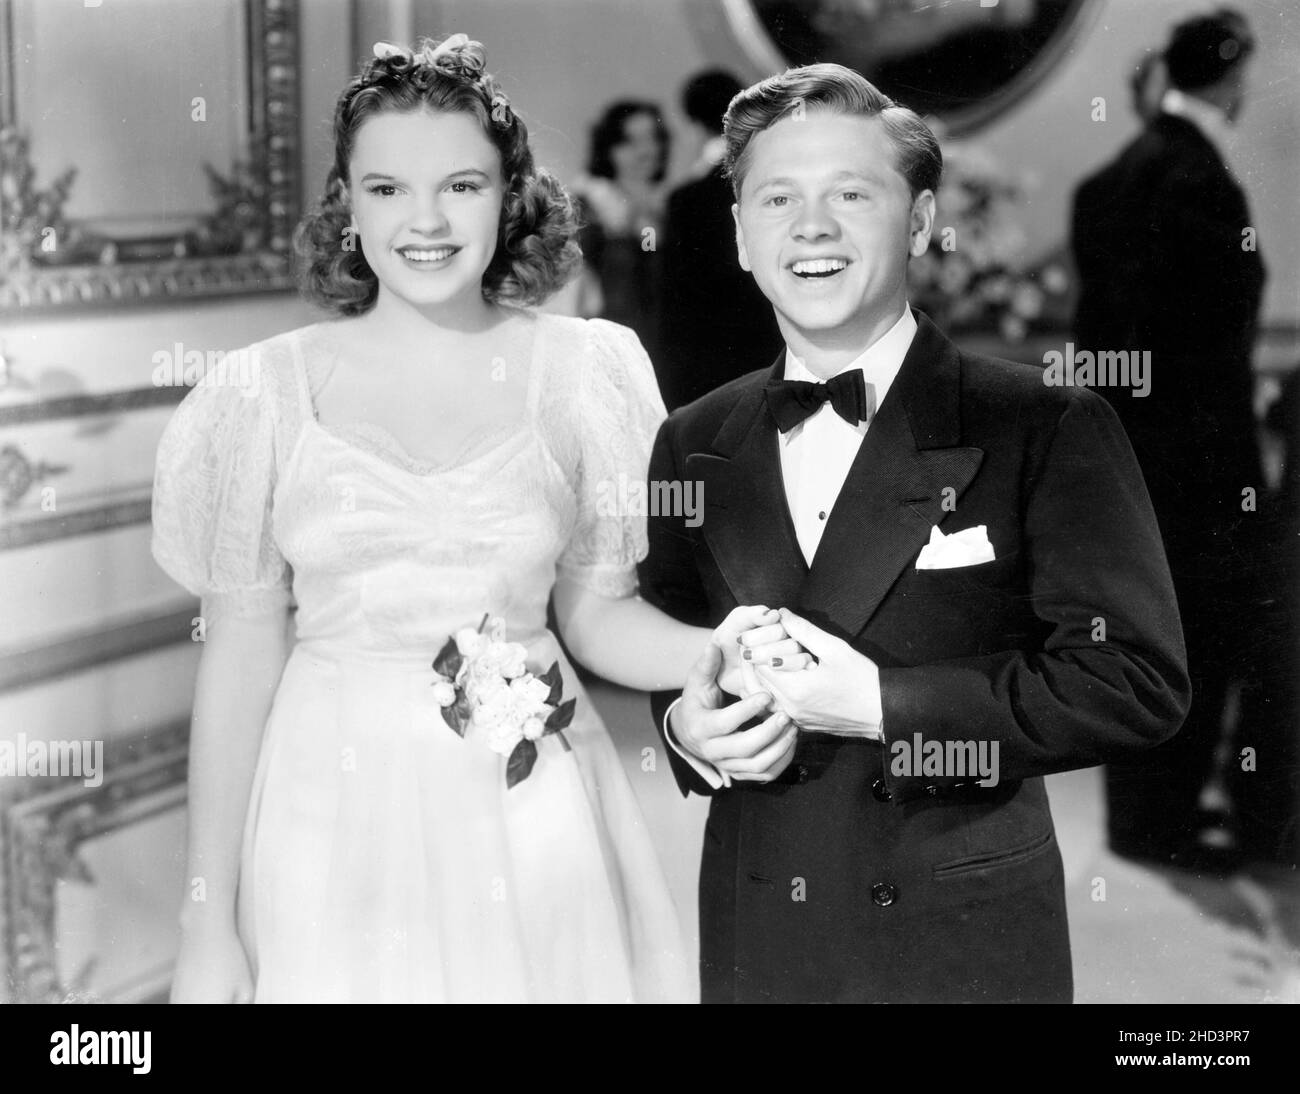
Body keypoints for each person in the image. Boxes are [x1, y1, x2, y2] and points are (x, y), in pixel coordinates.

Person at [151, 34, 787, 1003]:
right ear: (346, 203)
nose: (426, 221)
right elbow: (238, 658)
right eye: (387, 189)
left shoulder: (588, 369)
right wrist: (206, 917)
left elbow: (597, 611)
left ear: (510, 194)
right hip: (327, 811)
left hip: (529, 813)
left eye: (461, 185)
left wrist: (720, 651)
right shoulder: (258, 394)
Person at [637, 62, 1191, 1004]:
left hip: (959, 935)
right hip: (764, 923)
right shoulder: (691, 441)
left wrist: (884, 705)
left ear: (924, 222)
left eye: (851, 193)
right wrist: (690, 730)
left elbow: (1135, 684)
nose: (811, 227)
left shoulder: (1043, 423)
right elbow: (673, 648)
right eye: (778, 198)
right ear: (739, 235)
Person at [1071, 8, 1266, 871]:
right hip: (1200, 457)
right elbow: (1214, 335)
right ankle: (1168, 822)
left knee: (1135, 634)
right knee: (1202, 633)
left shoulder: (1112, 179)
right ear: (1227, 79)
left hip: (1125, 455)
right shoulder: (1200, 181)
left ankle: (1139, 817)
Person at [659, 70, 781, 411]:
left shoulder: (686, 199)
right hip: (773, 350)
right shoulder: (771, 186)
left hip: (708, 366)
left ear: (693, 122)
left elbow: (677, 306)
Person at [570, 101, 671, 366]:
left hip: (663, 352)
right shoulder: (588, 206)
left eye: (651, 139)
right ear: (609, 148)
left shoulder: (667, 208)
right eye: (630, 141)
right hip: (605, 352)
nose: (645, 152)